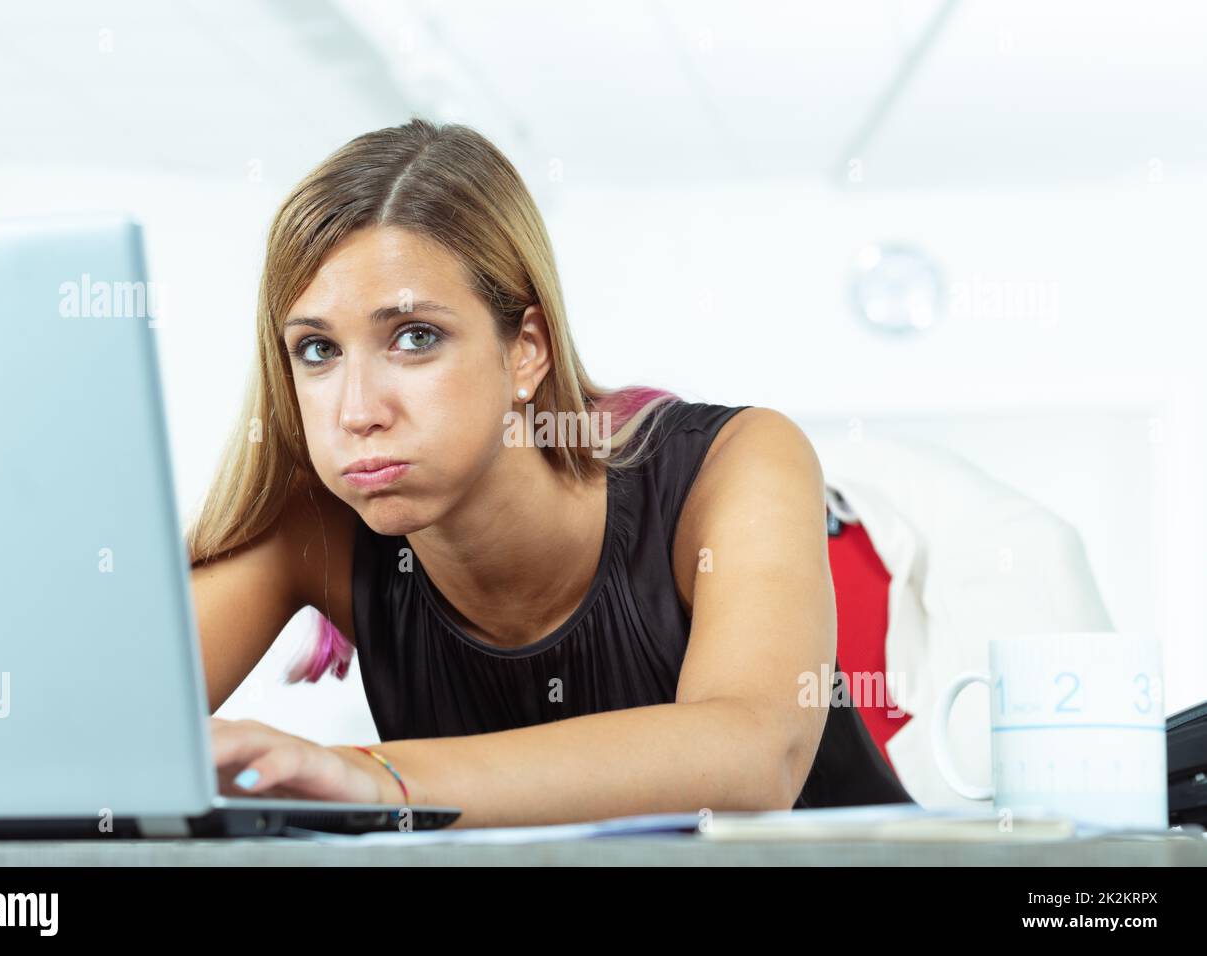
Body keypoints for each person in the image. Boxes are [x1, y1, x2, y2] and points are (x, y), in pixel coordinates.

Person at [188, 117, 911, 828]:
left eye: (414, 338)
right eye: (317, 350)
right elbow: (96, 742)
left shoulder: (734, 463)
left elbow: (754, 760)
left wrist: (377, 776)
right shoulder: (316, 529)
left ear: (527, 349)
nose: (357, 410)